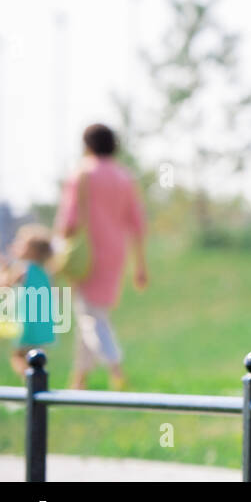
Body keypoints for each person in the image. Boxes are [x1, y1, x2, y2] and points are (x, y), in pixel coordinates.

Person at [54, 123, 148, 391]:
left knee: (90, 317)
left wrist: (58, 252)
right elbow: (137, 223)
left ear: (87, 145)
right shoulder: (125, 177)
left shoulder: (82, 174)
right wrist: (140, 264)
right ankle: (79, 381)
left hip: (86, 255)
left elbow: (68, 220)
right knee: (92, 313)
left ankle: (116, 368)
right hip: (115, 253)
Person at [0, 224, 56, 380]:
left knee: (17, 357)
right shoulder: (46, 271)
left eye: (20, 243)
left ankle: (31, 382)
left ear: (32, 251)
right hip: (44, 324)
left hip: (27, 324)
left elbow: (4, 285)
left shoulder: (24, 269)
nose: (15, 245)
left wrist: (1, 269)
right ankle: (37, 383)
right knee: (38, 359)